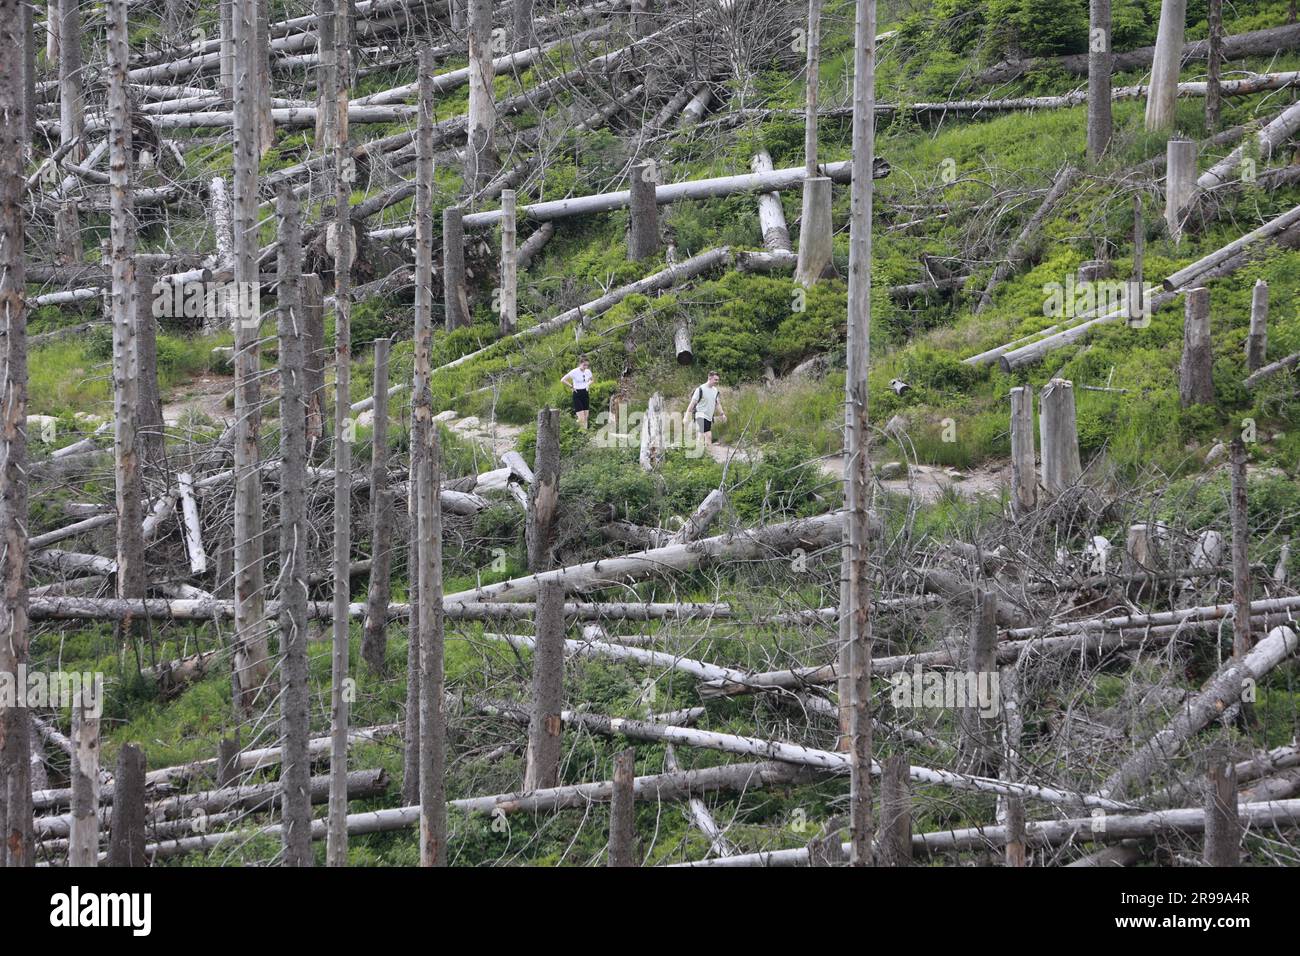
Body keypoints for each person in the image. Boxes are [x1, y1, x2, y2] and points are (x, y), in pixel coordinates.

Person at [684, 371, 726, 447]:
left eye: (718, 380)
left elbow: (717, 404)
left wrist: (722, 414)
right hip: (700, 415)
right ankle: (703, 455)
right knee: (705, 435)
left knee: (706, 436)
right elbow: (692, 403)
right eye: (715, 379)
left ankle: (706, 455)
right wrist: (686, 416)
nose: (717, 381)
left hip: (709, 417)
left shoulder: (715, 390)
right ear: (709, 378)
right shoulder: (700, 389)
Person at [560, 356, 594, 430]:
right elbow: (563, 380)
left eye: (587, 365)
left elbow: (592, 380)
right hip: (577, 394)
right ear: (580, 364)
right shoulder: (574, 371)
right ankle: (581, 433)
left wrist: (587, 384)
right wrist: (571, 386)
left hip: (585, 393)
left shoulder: (588, 371)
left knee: (586, 417)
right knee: (581, 418)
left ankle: (585, 432)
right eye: (584, 365)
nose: (585, 367)